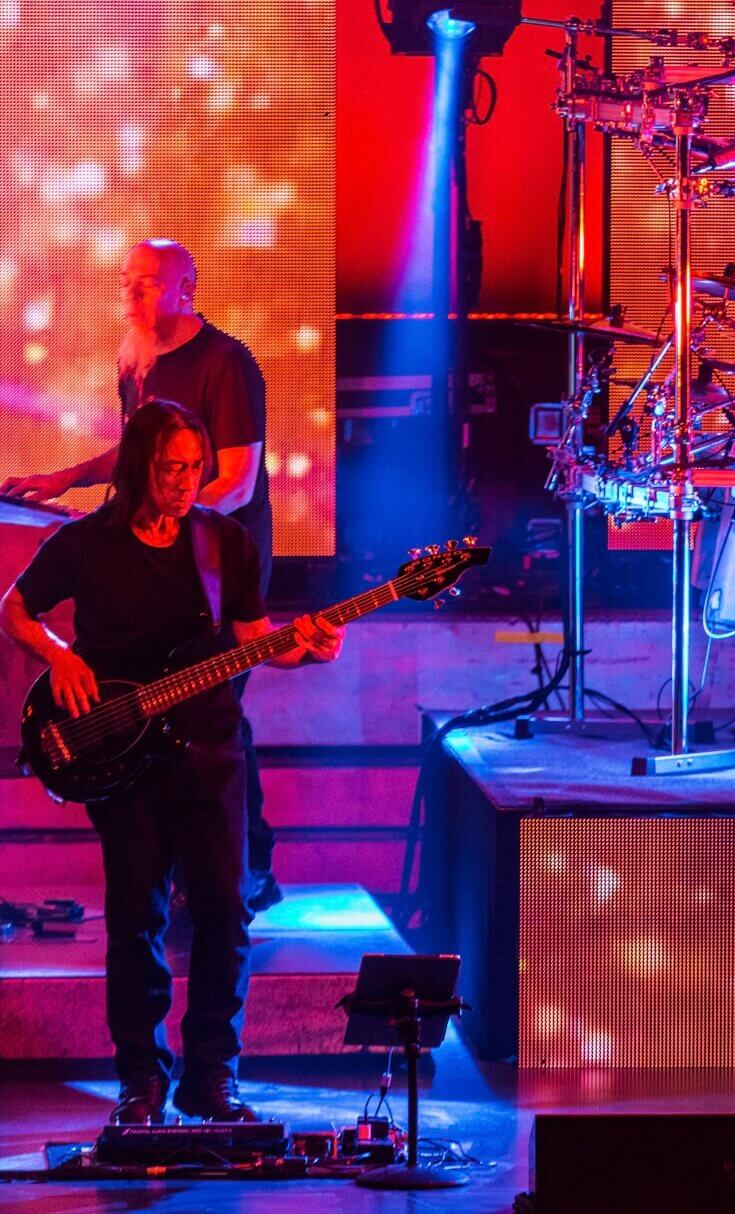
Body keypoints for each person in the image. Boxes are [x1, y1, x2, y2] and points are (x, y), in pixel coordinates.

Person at [0, 400, 340, 1125]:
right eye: (170, 469)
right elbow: (14, 608)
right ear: (137, 467)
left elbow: (255, 639)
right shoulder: (86, 543)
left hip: (212, 753)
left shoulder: (224, 542)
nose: (186, 482)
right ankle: (141, 1084)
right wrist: (59, 656)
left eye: (195, 468)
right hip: (122, 755)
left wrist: (306, 651)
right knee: (136, 920)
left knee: (226, 913)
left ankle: (212, 1079)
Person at [2, 239, 281, 914]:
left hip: (213, 567)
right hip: (157, 556)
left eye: (148, 283)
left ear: (186, 289)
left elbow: (237, 482)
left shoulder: (225, 361)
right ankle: (181, 872)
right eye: (126, 281)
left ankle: (243, 871)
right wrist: (65, 478)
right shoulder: (137, 359)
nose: (131, 294)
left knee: (215, 706)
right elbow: (137, 454)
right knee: (161, 711)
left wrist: (163, 523)